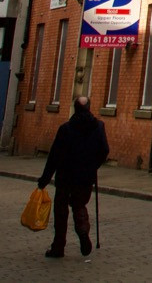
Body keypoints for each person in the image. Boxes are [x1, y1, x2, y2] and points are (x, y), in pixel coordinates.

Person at [37, 95, 109, 259]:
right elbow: (104, 150)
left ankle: (58, 247)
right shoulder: (98, 126)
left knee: (61, 211)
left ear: (75, 108)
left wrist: (45, 179)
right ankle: (83, 231)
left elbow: (54, 156)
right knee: (79, 205)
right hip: (85, 176)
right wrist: (93, 166)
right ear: (89, 108)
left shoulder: (66, 128)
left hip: (66, 176)